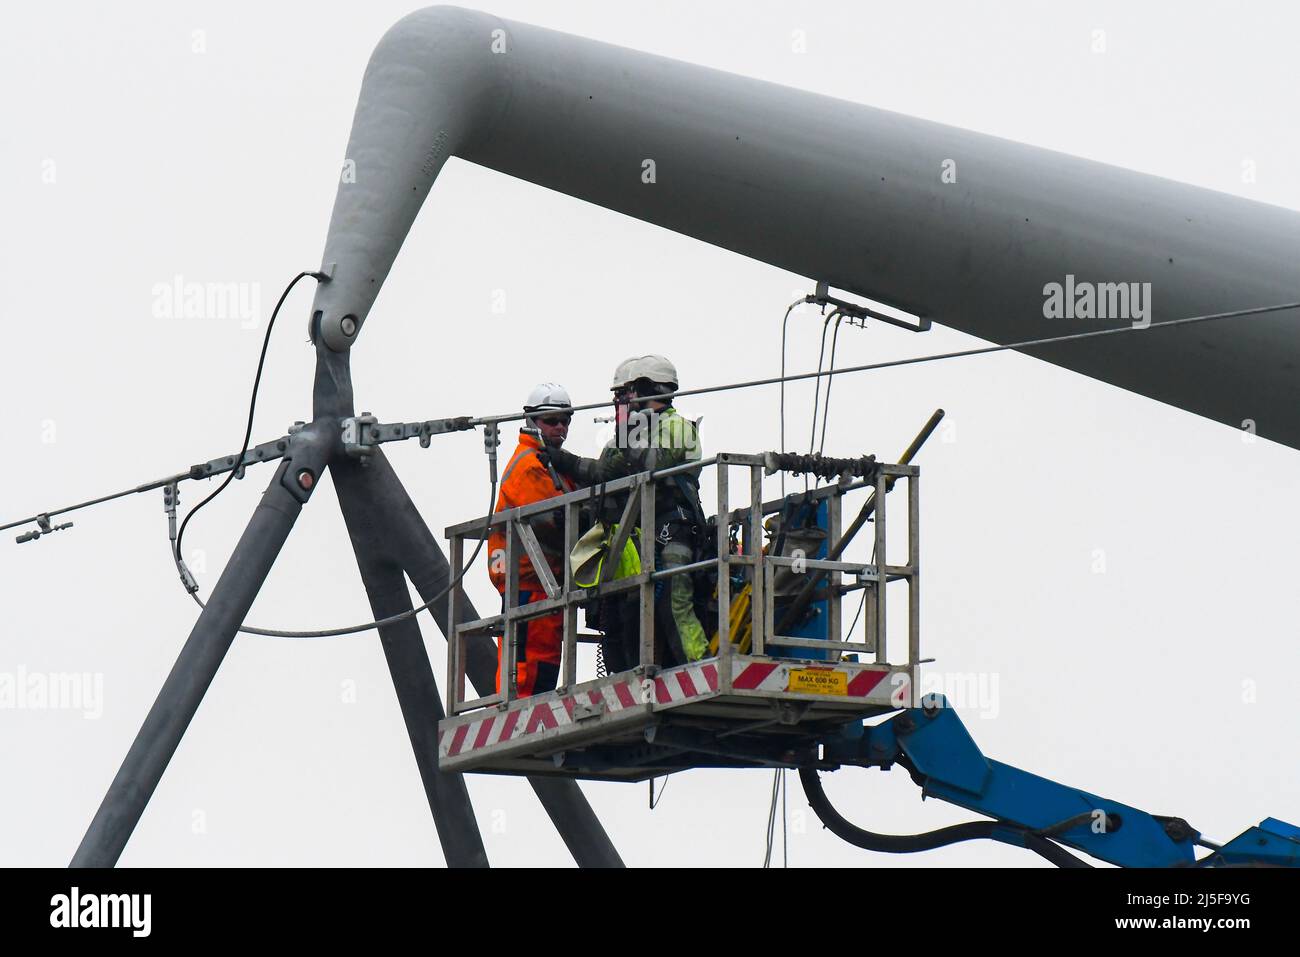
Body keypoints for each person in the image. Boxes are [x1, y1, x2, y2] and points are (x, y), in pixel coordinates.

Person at [542, 356, 709, 668]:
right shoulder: (631, 432)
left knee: (675, 602)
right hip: (636, 537)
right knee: (627, 608)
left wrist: (631, 431)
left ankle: (699, 666)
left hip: (674, 531)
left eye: (624, 395)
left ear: (647, 389)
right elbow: (605, 471)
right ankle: (632, 668)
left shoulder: (679, 427)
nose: (619, 402)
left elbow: (653, 464)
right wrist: (560, 459)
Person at [488, 383, 577, 697]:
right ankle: (520, 726)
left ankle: (532, 721)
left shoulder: (550, 463)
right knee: (527, 668)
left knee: (544, 663)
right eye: (552, 420)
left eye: (566, 420)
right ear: (532, 421)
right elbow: (554, 520)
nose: (560, 427)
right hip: (529, 584)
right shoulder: (529, 466)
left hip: (545, 586)